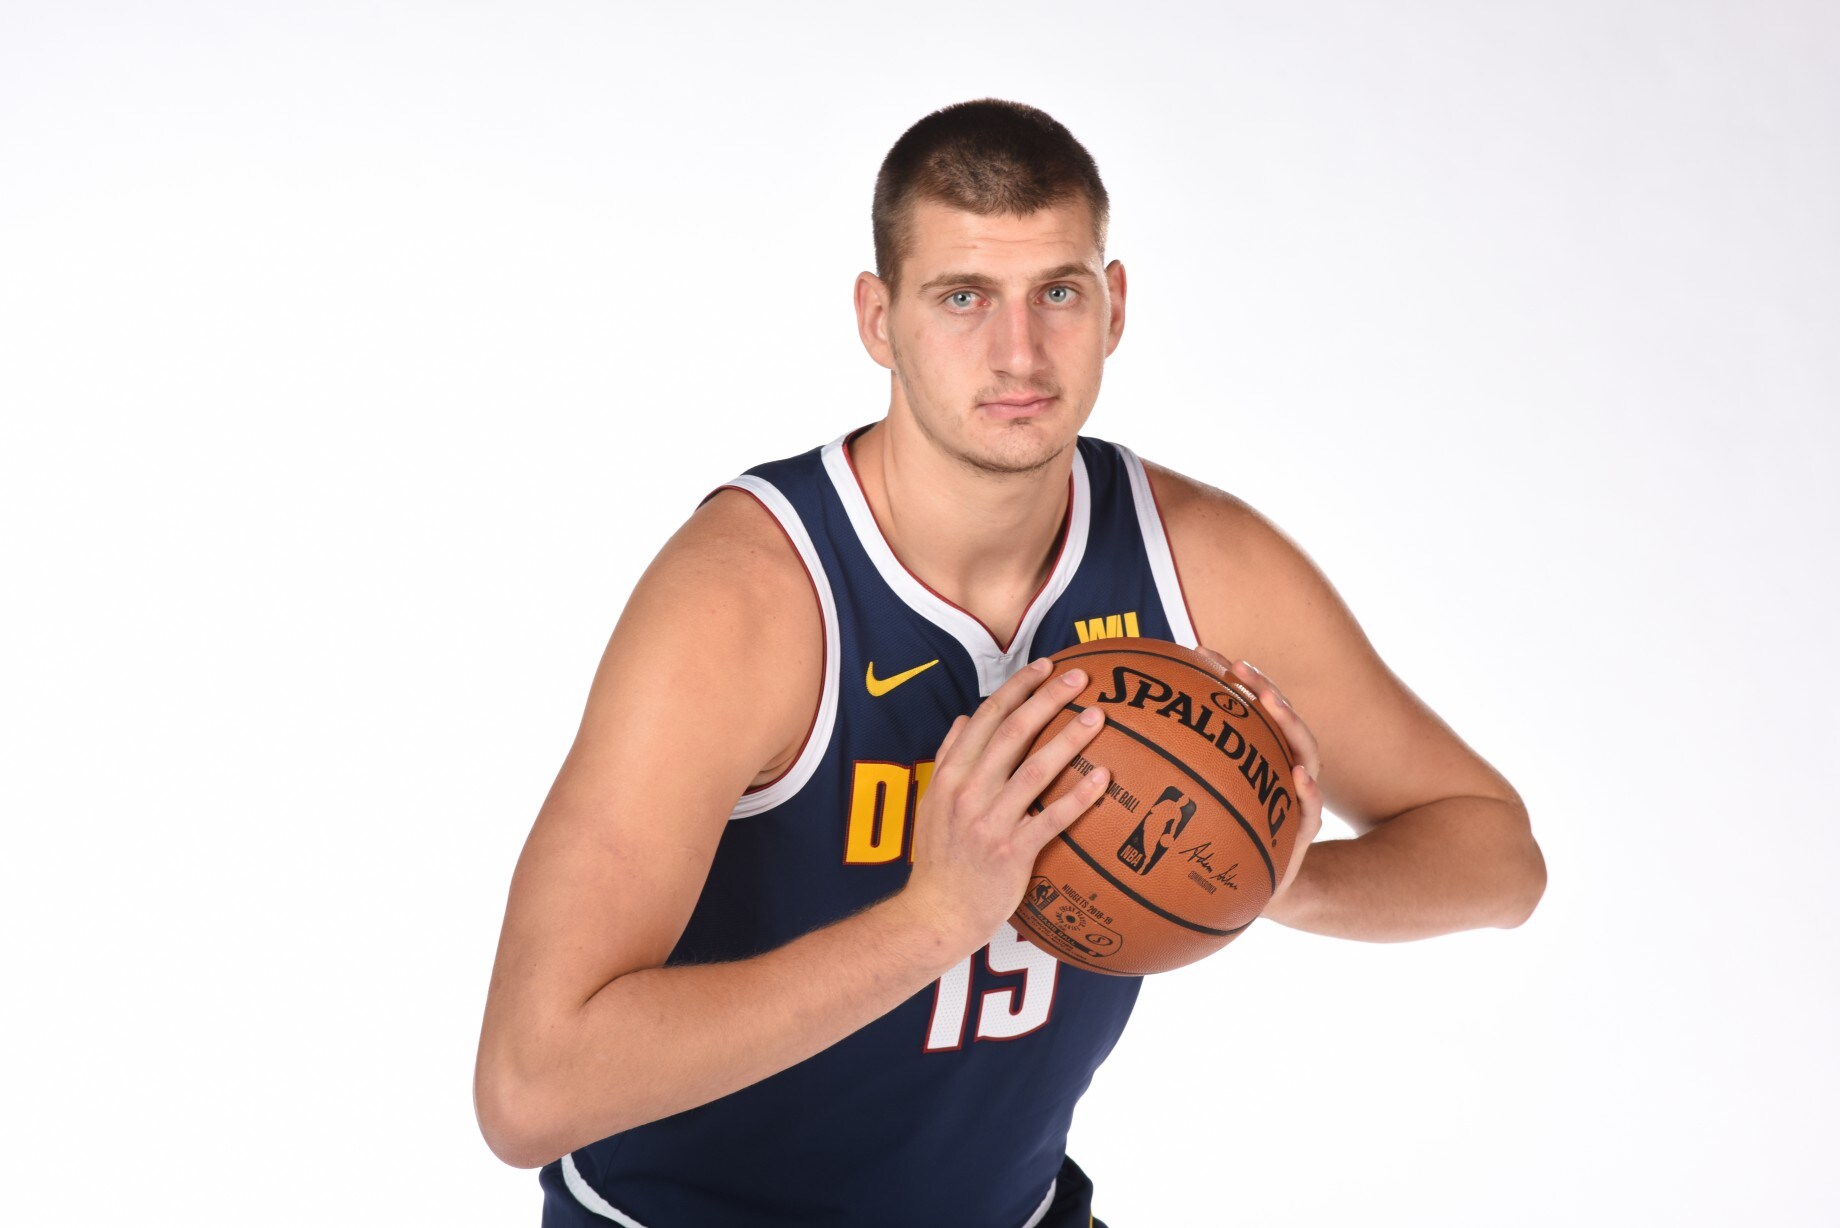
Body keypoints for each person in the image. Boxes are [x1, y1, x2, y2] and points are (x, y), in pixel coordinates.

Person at [474, 98, 1546, 1227]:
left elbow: (1497, 855)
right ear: (877, 319)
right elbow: (528, 1087)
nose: (1019, 353)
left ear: (1114, 304)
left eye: (1059, 293)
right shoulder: (748, 600)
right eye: (963, 298)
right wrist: (937, 916)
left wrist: (1275, 880)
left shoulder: (1194, 563)